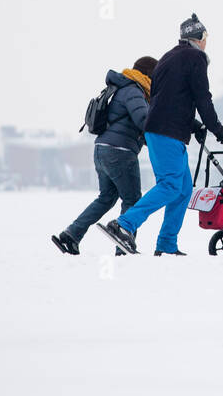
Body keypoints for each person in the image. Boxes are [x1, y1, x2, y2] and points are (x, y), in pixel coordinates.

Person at [104, 14, 223, 255]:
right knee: (171, 185)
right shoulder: (196, 58)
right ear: (200, 38)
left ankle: (166, 244)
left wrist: (195, 126)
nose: (207, 43)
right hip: (167, 133)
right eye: (206, 37)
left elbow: (169, 100)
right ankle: (124, 225)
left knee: (182, 189)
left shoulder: (167, 58)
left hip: (164, 130)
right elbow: (203, 98)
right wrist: (216, 127)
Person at [51, 56, 157, 255]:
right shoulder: (134, 91)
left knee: (106, 197)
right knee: (132, 200)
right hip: (120, 152)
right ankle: (123, 245)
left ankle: (72, 234)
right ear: (148, 75)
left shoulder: (121, 88)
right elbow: (144, 120)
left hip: (101, 149)